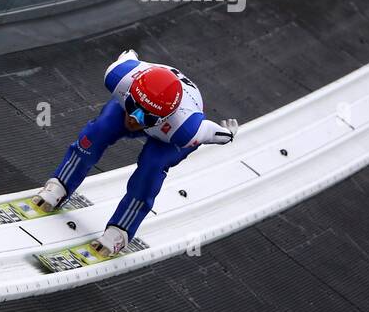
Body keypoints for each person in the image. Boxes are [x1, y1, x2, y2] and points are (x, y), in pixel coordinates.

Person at [32, 49, 239, 255]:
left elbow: (212, 132)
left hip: (166, 137)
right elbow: (129, 56)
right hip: (151, 109)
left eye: (146, 118)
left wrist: (227, 134)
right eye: (133, 106)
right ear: (129, 92)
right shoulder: (119, 76)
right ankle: (61, 184)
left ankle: (120, 230)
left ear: (163, 118)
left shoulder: (185, 129)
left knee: (151, 167)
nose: (135, 119)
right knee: (98, 131)